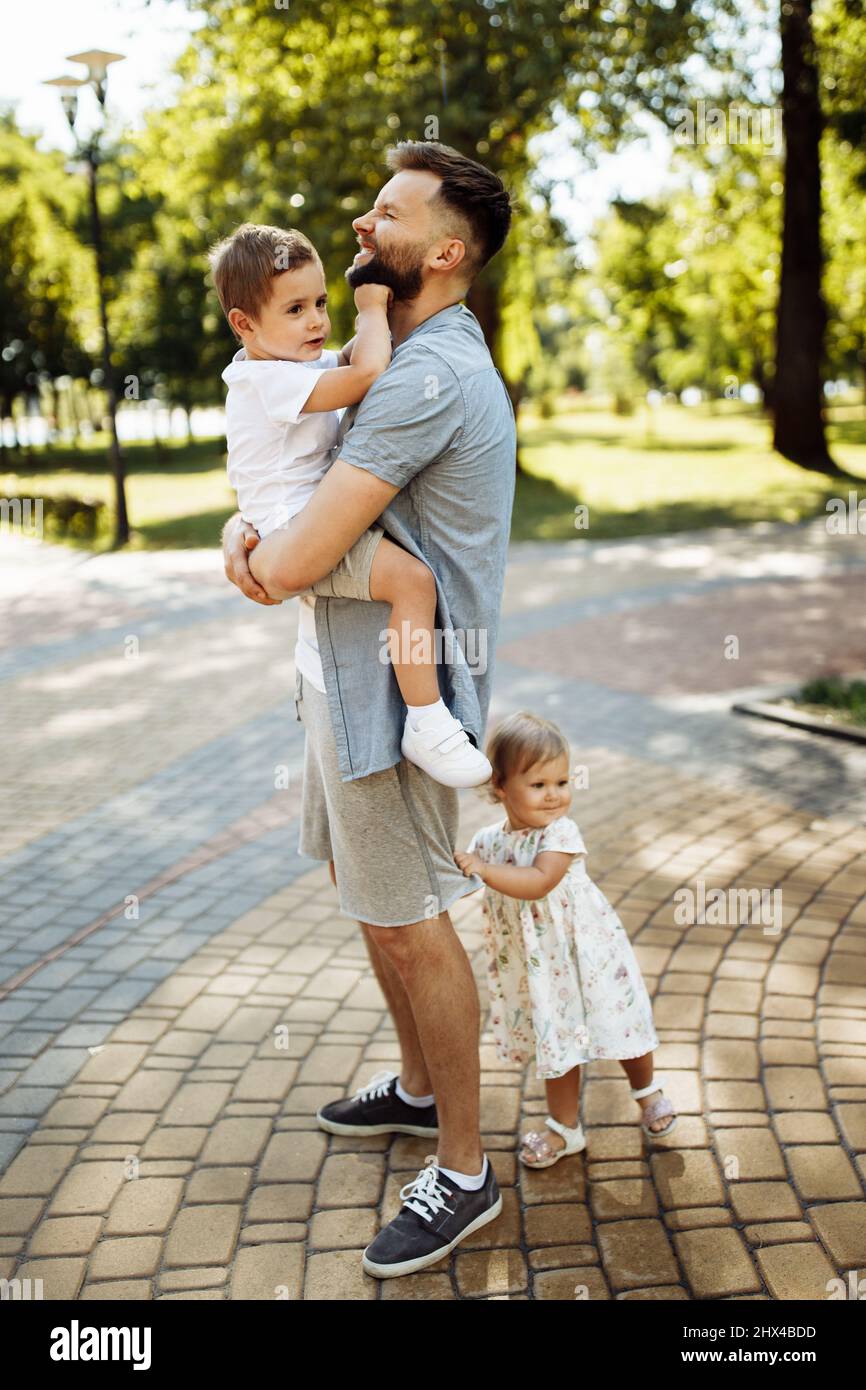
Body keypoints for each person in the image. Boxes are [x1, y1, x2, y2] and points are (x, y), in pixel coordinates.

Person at [222, 140, 516, 1279]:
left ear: (442, 251)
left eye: (385, 213)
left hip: (393, 699)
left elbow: (297, 554)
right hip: (332, 672)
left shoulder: (427, 374)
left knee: (409, 915)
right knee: (366, 893)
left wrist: (251, 556)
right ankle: (415, 1085)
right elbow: (281, 484)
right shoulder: (398, 356)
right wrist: (247, 536)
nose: (360, 225)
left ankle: (464, 1163)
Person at [209, 222, 491, 788]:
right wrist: (370, 306)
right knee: (412, 583)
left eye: (320, 301)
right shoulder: (266, 382)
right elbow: (366, 372)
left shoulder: (292, 365)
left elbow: (354, 358)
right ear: (244, 324)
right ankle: (428, 721)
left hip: (296, 524)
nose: (316, 320)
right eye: (294, 310)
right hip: (295, 532)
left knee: (408, 582)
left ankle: (425, 717)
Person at [455, 710, 677, 1168]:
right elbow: (471, 874)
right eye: (538, 785)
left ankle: (646, 1090)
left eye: (562, 782)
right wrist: (463, 866)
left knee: (619, 1019)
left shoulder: (560, 833)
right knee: (556, 1039)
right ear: (500, 786)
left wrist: (481, 869)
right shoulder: (487, 842)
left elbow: (538, 881)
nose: (555, 795)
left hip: (586, 953)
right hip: (537, 965)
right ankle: (564, 1128)